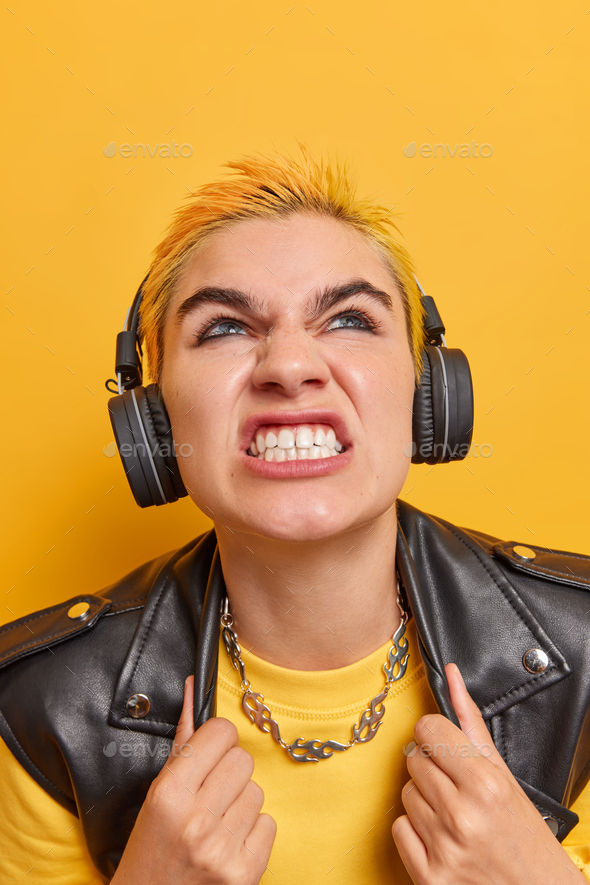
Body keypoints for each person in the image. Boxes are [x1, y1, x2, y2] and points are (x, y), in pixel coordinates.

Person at [0, 147, 589, 885]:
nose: (289, 365)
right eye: (224, 328)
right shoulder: (39, 711)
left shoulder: (585, 659)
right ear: (154, 421)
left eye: (347, 319)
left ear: (427, 391)